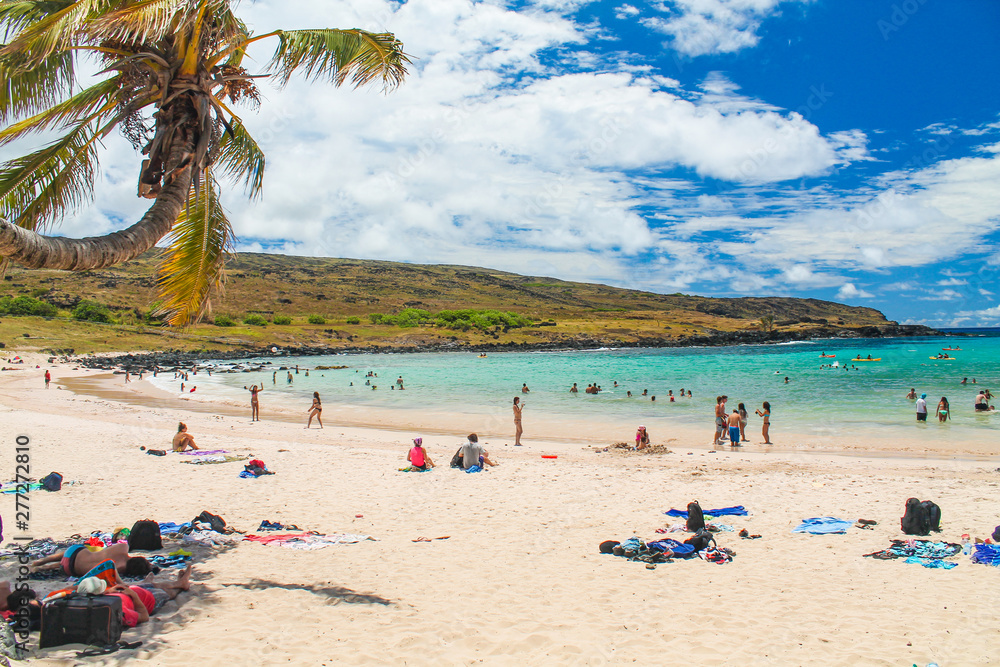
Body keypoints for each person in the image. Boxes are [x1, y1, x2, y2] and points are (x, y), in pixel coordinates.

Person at [95, 564, 192, 627]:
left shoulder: (90, 598)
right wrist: (134, 596)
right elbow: (144, 616)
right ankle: (181, 586)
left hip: (132, 591)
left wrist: (108, 591)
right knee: (167, 593)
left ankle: (179, 583)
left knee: (148, 585)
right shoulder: (120, 612)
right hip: (148, 601)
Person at [31, 543, 155, 578]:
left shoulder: (123, 547)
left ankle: (41, 561)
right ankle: (50, 567)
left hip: (73, 552)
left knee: (79, 551)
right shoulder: (120, 568)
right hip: (70, 570)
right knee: (73, 563)